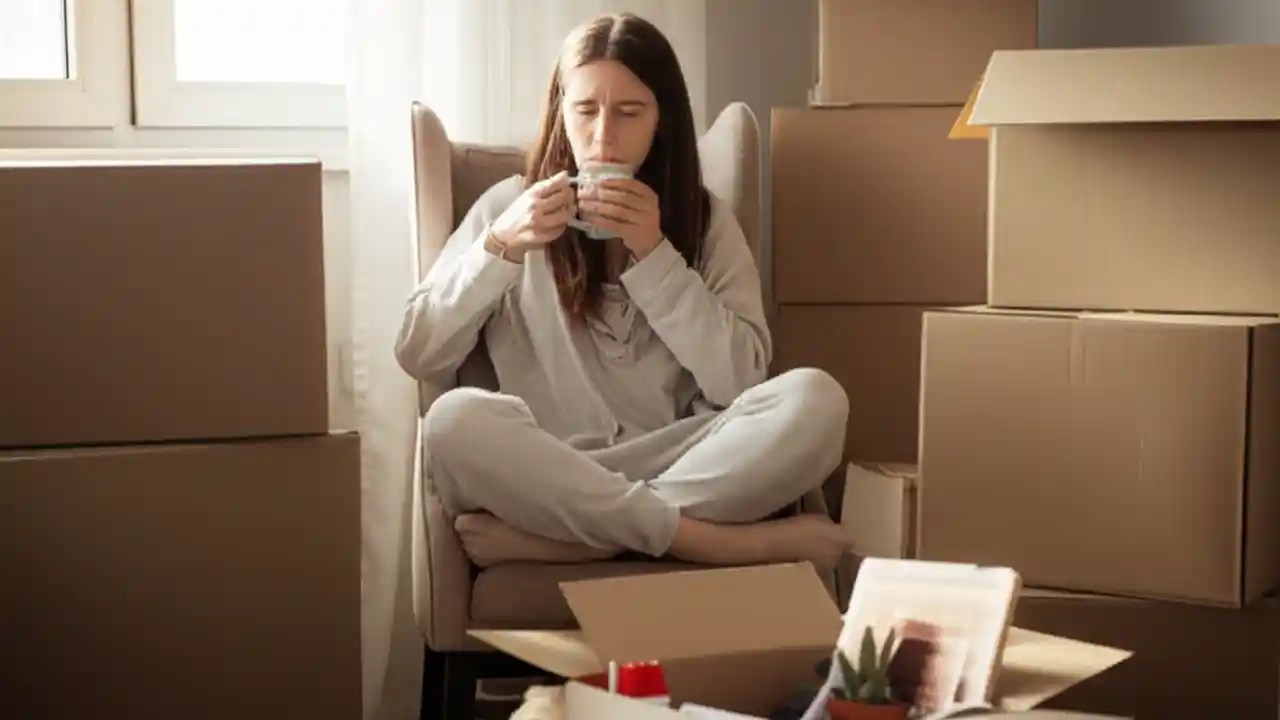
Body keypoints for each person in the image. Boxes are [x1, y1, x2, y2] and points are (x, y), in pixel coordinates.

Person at [395, 13, 851, 571]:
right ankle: (715, 541)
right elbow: (418, 352)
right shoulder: (507, 207)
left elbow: (742, 381)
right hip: (553, 466)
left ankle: (584, 538)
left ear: (661, 119)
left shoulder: (703, 219)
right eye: (585, 111)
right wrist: (501, 247)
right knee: (451, 422)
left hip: (683, 455)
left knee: (818, 399)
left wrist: (656, 255)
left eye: (629, 112)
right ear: (561, 113)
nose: (604, 136)